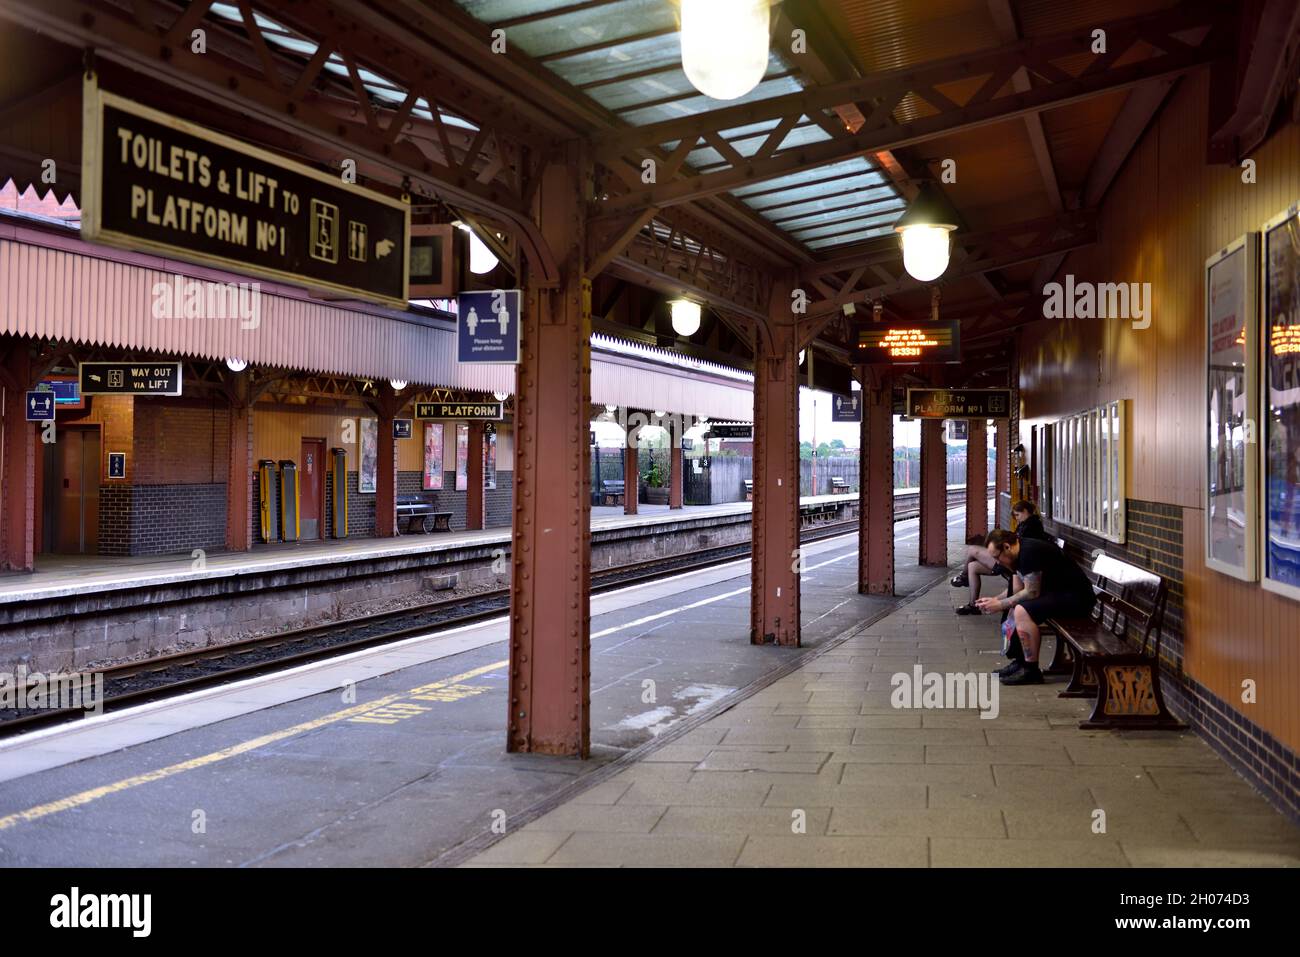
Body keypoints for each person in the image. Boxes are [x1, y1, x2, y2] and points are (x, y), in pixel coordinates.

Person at [976, 529, 1096, 685]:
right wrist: (994, 600)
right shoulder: (1016, 555)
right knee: (1014, 609)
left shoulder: (1029, 553)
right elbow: (1018, 589)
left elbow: (1032, 592)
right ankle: (1021, 662)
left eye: (996, 557)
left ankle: (1031, 670)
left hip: (1076, 598)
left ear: (1006, 547)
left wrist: (1000, 605)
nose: (997, 562)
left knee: (1021, 610)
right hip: (1057, 594)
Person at [952, 535, 1009, 615]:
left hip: (1006, 561)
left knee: (972, 549)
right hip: (1004, 562)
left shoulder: (1029, 526)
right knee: (972, 566)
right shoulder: (1025, 525)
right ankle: (973, 606)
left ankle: (964, 577)